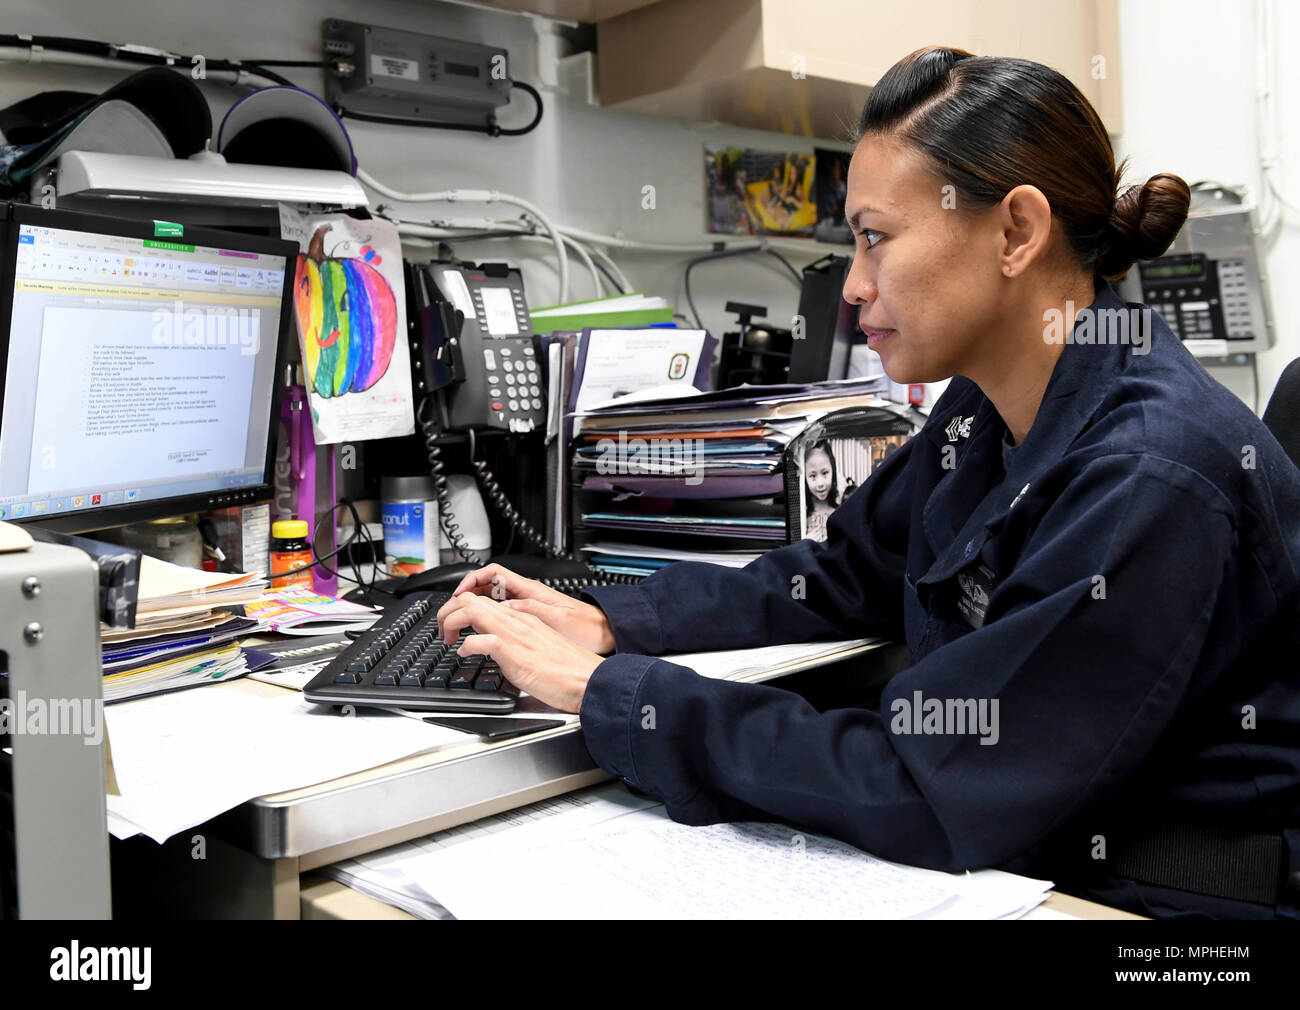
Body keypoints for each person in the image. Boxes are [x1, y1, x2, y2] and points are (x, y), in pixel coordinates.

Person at [437, 47, 1300, 919]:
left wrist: (611, 696)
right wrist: (613, 621)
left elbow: (934, 786)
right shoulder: (991, 406)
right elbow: (841, 574)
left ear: (1015, 233)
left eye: (876, 238)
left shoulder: (1147, 477)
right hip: (1047, 852)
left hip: (1169, 914)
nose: (852, 286)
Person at [802, 439, 839, 541]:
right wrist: (804, 544)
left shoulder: (841, 511)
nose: (820, 483)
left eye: (825, 473)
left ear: (833, 471)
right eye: (813, 476)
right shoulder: (800, 516)